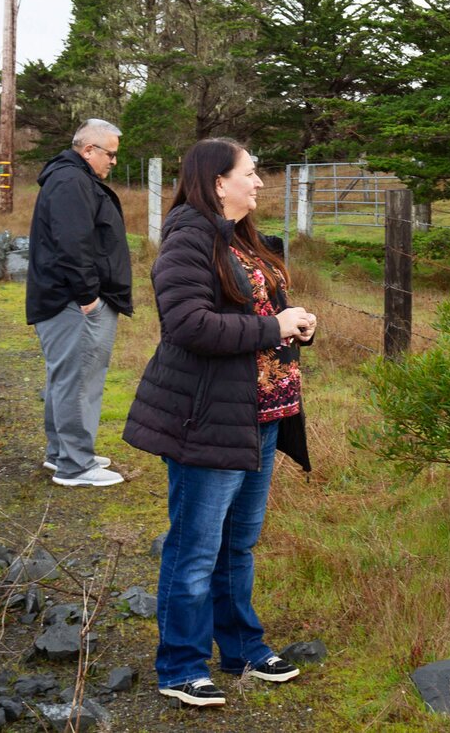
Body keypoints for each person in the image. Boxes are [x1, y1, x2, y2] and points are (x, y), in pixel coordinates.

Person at [123, 138, 317, 708]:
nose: (259, 183)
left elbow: (263, 311)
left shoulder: (242, 238)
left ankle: (241, 650)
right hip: (208, 418)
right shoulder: (189, 236)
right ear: (217, 182)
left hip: (261, 416)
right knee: (194, 547)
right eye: (250, 173)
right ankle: (181, 666)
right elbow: (188, 325)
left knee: (238, 544)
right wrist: (272, 329)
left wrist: (298, 324)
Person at [25, 119, 134, 488]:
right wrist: (88, 296)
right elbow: (73, 243)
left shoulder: (70, 179)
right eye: (111, 154)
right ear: (89, 150)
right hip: (72, 301)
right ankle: (76, 465)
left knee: (68, 378)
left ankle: (61, 454)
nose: (114, 162)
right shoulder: (71, 181)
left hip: (65, 299)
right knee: (80, 381)